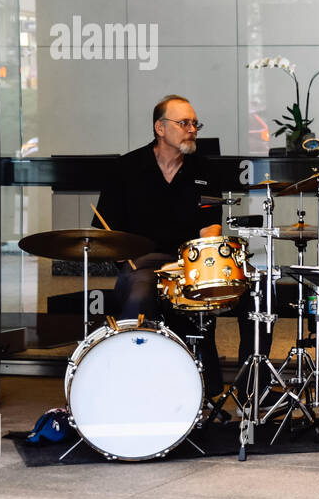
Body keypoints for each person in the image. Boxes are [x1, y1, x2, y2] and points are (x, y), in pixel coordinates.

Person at [95, 95, 227, 398]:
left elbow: (211, 229)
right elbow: (107, 231)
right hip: (140, 267)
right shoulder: (125, 168)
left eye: (195, 123)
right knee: (141, 292)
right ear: (160, 128)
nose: (192, 129)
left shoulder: (205, 170)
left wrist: (204, 271)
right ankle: (129, 383)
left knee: (256, 298)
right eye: (184, 123)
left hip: (186, 267)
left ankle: (234, 390)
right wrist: (125, 261)